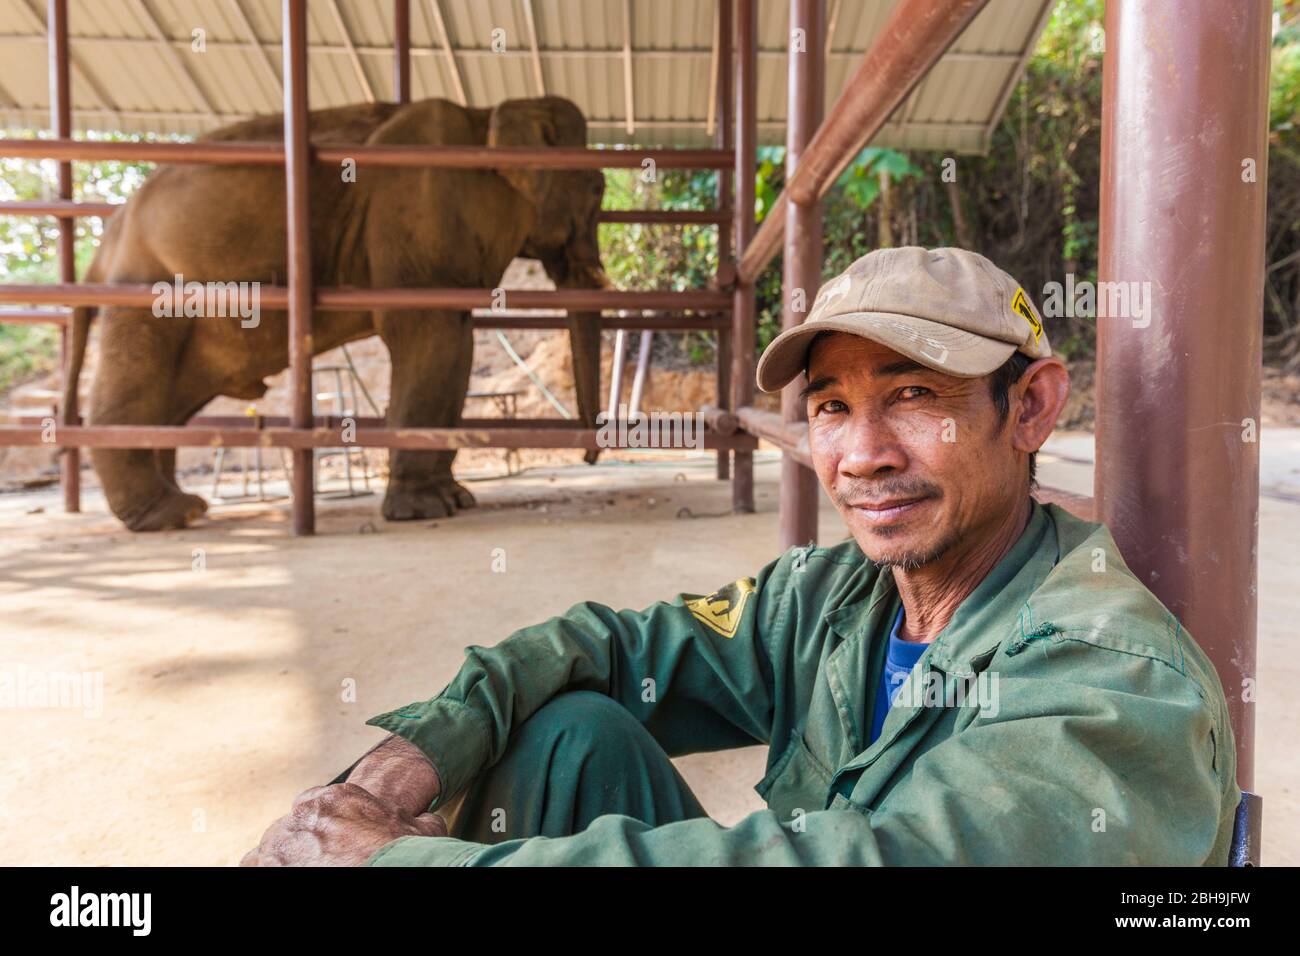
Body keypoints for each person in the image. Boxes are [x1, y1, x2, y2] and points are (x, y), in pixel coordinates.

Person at [242, 246, 1240, 866]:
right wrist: (406, 760)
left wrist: (400, 863)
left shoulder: (1113, 673)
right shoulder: (834, 593)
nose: (862, 453)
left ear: (1028, 407)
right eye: (832, 408)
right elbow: (609, 641)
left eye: (914, 395)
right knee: (568, 729)